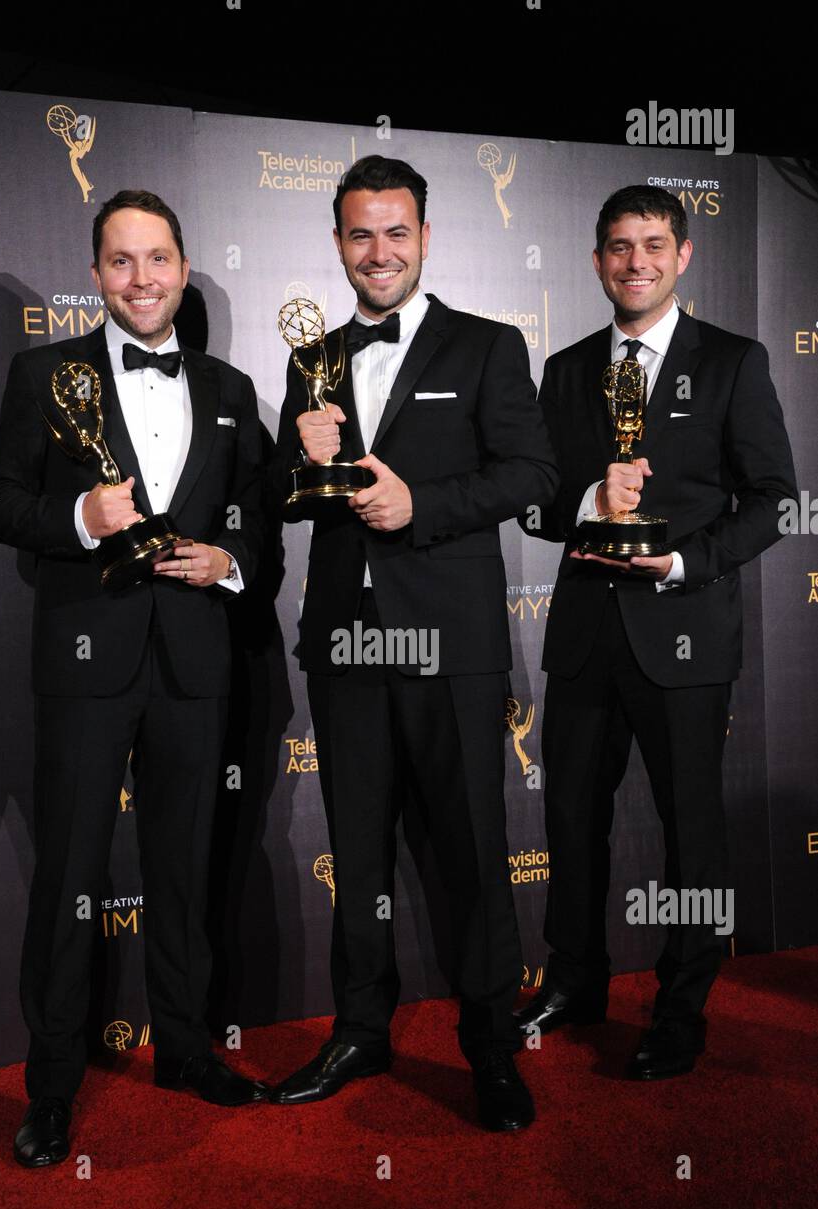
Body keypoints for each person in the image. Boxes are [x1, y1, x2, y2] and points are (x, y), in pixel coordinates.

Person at [268, 155, 558, 1131]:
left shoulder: (485, 346)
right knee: (357, 847)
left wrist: (420, 504)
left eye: (396, 232)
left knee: (472, 851)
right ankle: (360, 1028)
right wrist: (294, 455)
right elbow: (278, 491)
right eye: (359, 233)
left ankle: (489, 1044)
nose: (378, 250)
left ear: (425, 239)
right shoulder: (312, 357)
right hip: (345, 645)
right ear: (338, 243)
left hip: (450, 644)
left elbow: (530, 474)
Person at [0, 189, 267, 1167]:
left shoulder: (232, 390)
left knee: (185, 869)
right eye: (120, 261)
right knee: (69, 875)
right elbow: (1, 503)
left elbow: (260, 513)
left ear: (183, 268)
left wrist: (228, 564)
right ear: (97, 274)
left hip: (195, 661)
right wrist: (78, 523)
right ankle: (52, 1088)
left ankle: (187, 1049)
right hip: (84, 660)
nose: (141, 279)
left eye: (157, 259)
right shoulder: (42, 373)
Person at [515, 185, 797, 1078]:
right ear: (596, 260)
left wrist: (681, 564)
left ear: (681, 256)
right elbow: (535, 501)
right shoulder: (563, 370)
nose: (634, 261)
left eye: (651, 245)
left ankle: (682, 1004)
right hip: (586, 636)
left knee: (691, 831)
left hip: (684, 636)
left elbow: (772, 504)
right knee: (568, 818)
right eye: (617, 246)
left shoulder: (731, 361)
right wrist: (590, 502)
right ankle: (575, 979)